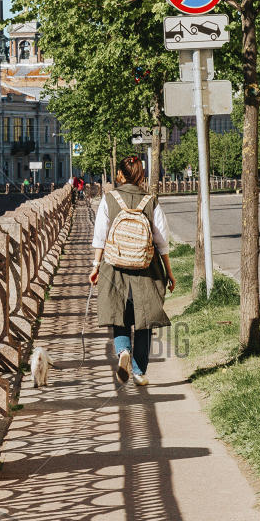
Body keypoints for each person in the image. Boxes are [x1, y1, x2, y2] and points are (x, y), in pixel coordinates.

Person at [87, 155, 176, 387]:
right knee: (144, 320)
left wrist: (96, 267)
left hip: (115, 267)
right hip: (146, 268)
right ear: (141, 175)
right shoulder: (150, 201)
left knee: (119, 315)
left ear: (120, 175)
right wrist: (169, 271)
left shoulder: (109, 199)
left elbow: (100, 237)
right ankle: (138, 371)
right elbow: (162, 240)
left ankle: (123, 351)